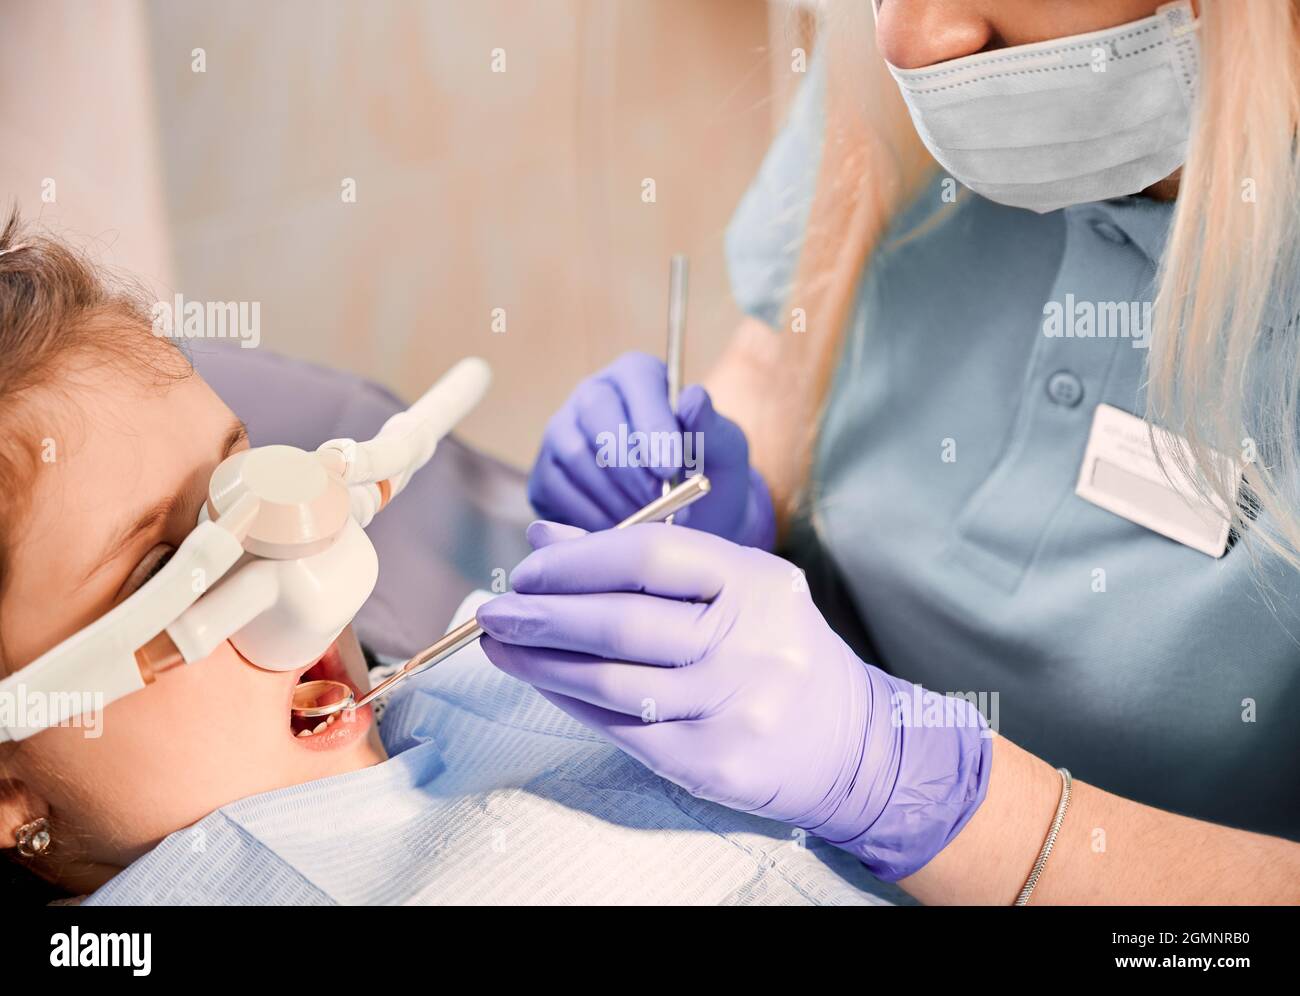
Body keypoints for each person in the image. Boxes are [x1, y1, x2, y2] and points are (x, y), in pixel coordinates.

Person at [477, 0, 1300, 903]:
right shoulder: (921, 76)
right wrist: (717, 493)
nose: (907, 40)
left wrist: (932, 795)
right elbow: (781, 355)